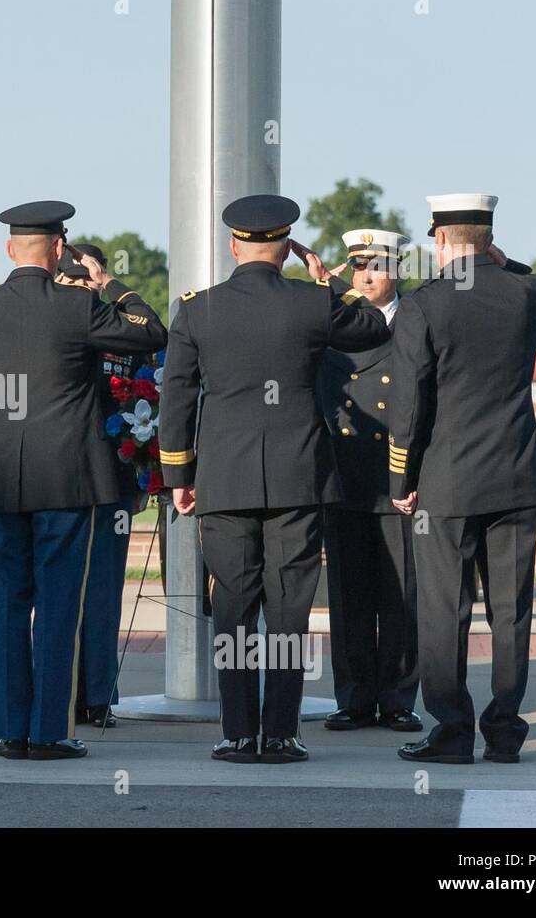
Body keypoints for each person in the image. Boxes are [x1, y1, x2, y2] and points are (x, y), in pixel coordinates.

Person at [160, 194, 391, 764]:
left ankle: (238, 732)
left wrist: (178, 475)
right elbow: (369, 327)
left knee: (235, 606)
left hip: (224, 477)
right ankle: (282, 733)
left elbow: (177, 395)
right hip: (298, 477)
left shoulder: (197, 309)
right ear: (287, 247)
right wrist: (328, 285)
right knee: (289, 609)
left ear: (233, 245)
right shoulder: (312, 304)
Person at [0, 201, 167, 759]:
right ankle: (49, 731)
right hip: (67, 482)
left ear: (9, 249)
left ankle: (11, 731)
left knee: (8, 608)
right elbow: (150, 330)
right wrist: (111, 283)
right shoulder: (78, 304)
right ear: (60, 249)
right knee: (60, 607)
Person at [390, 193, 536, 764]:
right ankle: (504, 733)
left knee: (445, 610)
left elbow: (410, 403)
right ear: (488, 238)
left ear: (442, 240)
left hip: (446, 483)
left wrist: (401, 481)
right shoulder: (525, 294)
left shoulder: (425, 304)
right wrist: (515, 265)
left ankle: (451, 733)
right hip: (518, 479)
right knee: (511, 609)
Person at [317, 229, 422, 734]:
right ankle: (355, 698)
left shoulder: (418, 318)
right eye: (358, 268)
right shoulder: (333, 322)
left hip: (401, 477)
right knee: (349, 594)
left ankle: (399, 700)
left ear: (398, 269)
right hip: (346, 473)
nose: (367, 276)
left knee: (402, 596)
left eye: (377, 266)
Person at [55, 243, 157, 729]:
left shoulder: (121, 334)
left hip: (112, 481)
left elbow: (152, 386)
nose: (76, 288)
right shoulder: (45, 328)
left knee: (101, 593)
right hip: (57, 478)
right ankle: (58, 693)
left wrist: (144, 468)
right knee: (57, 593)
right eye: (68, 280)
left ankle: (96, 695)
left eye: (85, 282)